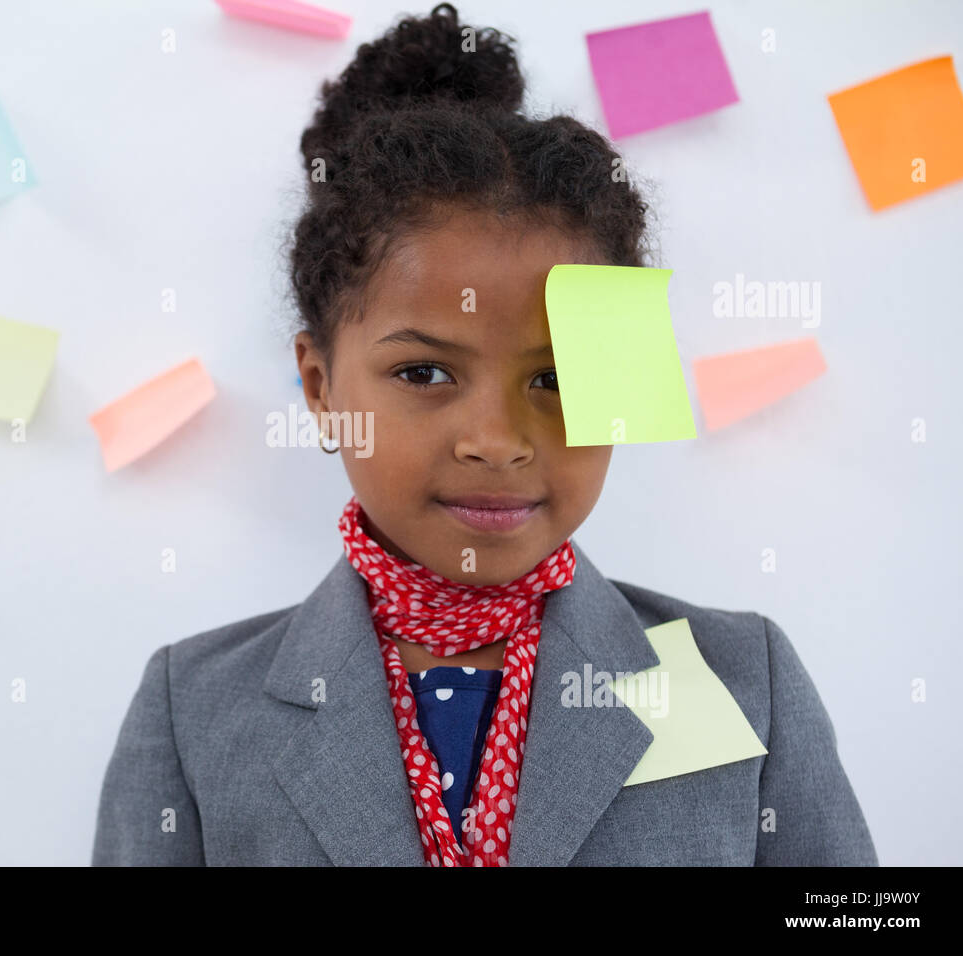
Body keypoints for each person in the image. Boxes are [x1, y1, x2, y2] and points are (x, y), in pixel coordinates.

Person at [91, 3, 877, 867]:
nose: (497, 440)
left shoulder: (744, 678)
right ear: (319, 386)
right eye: (425, 373)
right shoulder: (196, 708)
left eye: (557, 379)